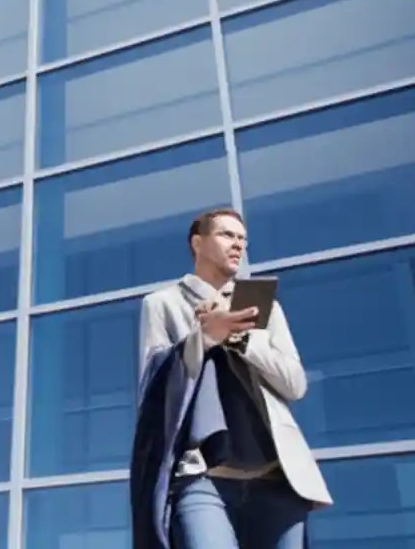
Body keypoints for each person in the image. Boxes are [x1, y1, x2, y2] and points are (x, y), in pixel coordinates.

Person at [131, 208, 332, 548]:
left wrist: (238, 338)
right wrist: (204, 338)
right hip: (202, 478)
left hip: (275, 480)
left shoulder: (260, 304)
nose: (238, 244)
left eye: (243, 239)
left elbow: (295, 384)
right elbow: (153, 387)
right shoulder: (164, 303)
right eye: (227, 235)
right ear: (198, 242)